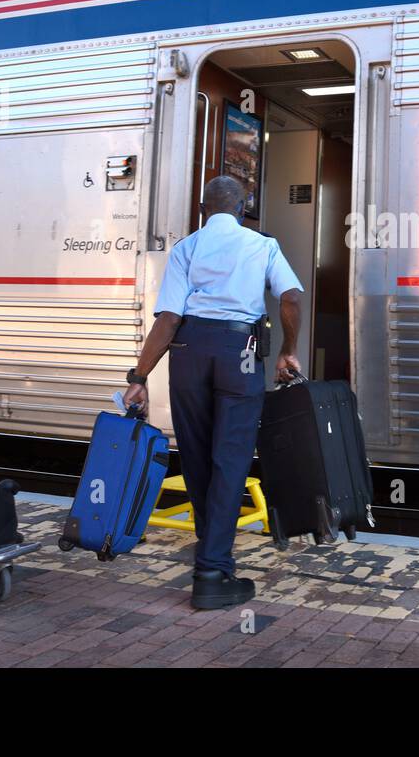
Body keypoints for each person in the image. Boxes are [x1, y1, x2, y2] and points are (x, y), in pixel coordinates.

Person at [124, 175, 303, 609]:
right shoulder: (262, 245)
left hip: (188, 352)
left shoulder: (187, 248)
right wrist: (288, 350)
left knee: (199, 456)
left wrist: (139, 376)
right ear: (243, 208)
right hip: (239, 353)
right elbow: (291, 297)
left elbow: (168, 319)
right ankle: (212, 572)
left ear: (203, 209)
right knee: (231, 459)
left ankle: (210, 557)